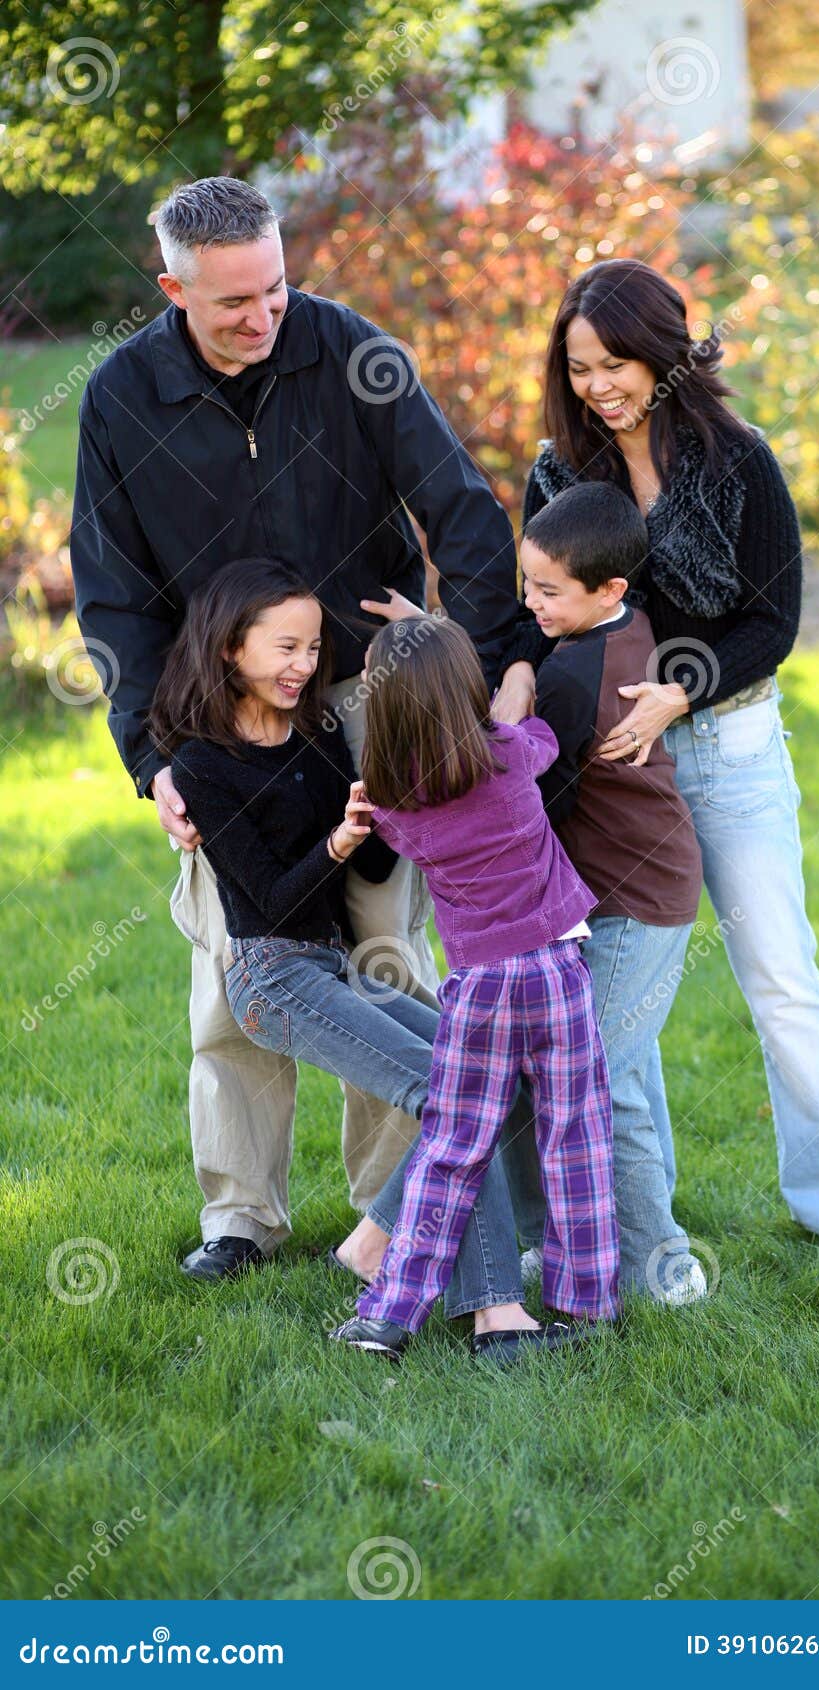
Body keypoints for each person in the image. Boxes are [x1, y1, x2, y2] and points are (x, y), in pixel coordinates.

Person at [70, 175, 533, 1279]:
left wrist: (465, 664)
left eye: (274, 287)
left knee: (379, 948)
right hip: (218, 721)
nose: (263, 316)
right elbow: (114, 598)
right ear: (171, 286)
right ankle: (240, 1215)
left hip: (367, 698)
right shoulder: (121, 396)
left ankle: (389, 1203)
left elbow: (461, 509)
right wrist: (151, 757)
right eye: (232, 301)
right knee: (239, 968)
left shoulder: (347, 351)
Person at [502, 258, 819, 1250]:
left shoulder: (737, 459)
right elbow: (541, 609)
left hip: (726, 746)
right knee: (620, 999)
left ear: (661, 355)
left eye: (617, 364)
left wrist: (682, 687)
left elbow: (774, 621)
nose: (598, 387)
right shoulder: (559, 472)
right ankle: (643, 1232)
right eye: (581, 366)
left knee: (777, 971)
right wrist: (512, 684)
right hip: (610, 774)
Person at [150, 556, 549, 1365]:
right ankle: (495, 1317)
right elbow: (265, 900)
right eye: (285, 648)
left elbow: (364, 872)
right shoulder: (200, 765)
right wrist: (336, 839)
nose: (304, 666)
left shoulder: (318, 737)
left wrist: (381, 806)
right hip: (269, 976)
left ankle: (374, 1242)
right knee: (455, 1093)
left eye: (313, 648)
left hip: (327, 966)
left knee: (490, 1076)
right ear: (230, 649)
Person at [332, 615, 619, 1360]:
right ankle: (586, 1302)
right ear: (468, 691)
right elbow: (542, 738)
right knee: (576, 1136)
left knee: (453, 1148)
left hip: (479, 992)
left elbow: (396, 803)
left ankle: (388, 1313)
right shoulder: (510, 754)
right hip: (556, 972)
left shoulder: (395, 809)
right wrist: (519, 681)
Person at [506, 481, 709, 1303]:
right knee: (616, 1067)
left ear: (609, 589)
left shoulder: (573, 677)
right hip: (639, 887)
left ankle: (662, 1266)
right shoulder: (627, 630)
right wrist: (528, 647)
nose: (531, 604)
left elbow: (526, 798)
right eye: (528, 585)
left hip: (631, 899)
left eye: (548, 592)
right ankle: (559, 1239)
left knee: (593, 1080)